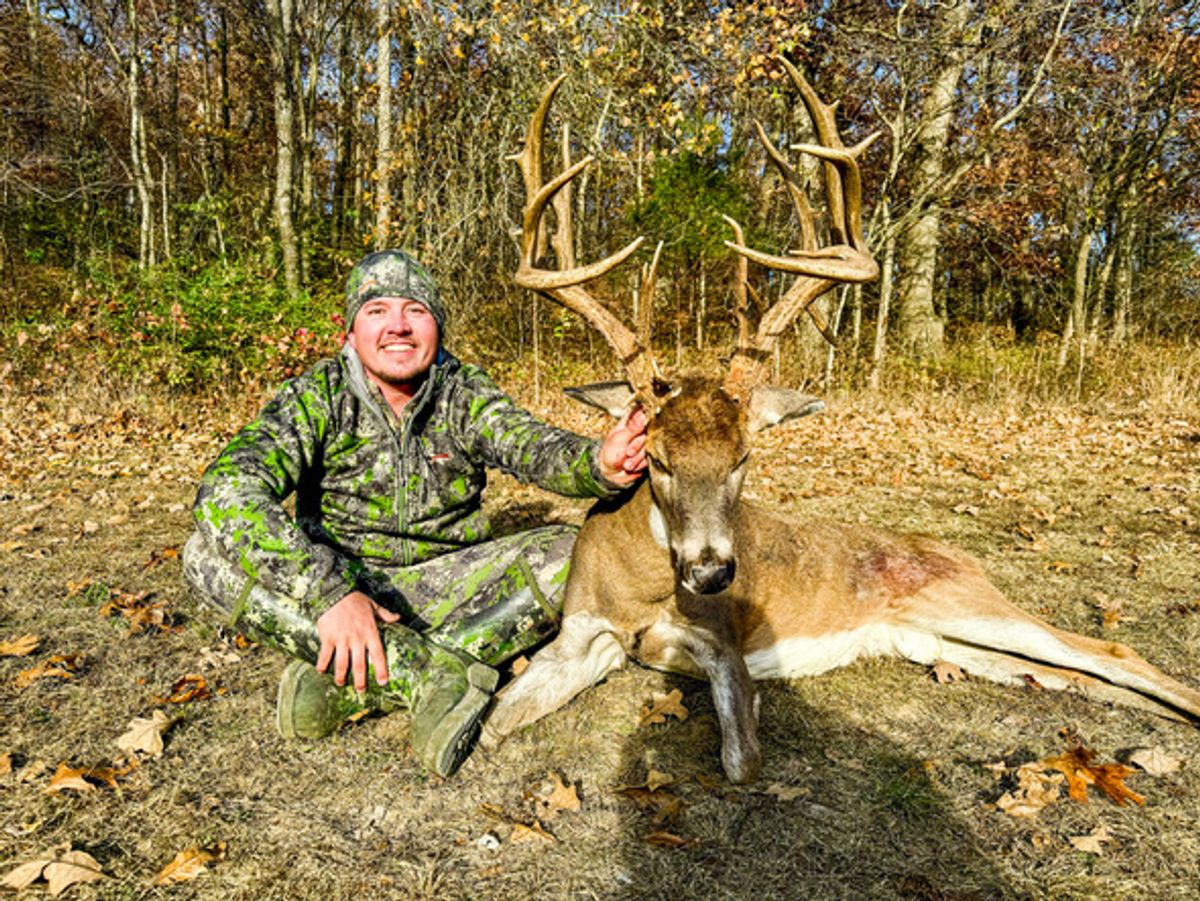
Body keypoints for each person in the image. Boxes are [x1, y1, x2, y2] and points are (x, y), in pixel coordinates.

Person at [182, 250, 647, 776]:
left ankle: (363, 680)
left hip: (449, 586)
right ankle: (425, 675)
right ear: (351, 331)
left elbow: (533, 447)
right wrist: (328, 591)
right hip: (341, 582)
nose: (398, 326)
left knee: (573, 552)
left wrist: (599, 462)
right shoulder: (315, 396)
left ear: (437, 328)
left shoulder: (464, 392)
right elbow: (227, 489)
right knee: (203, 554)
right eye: (377, 311)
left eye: (416, 311)